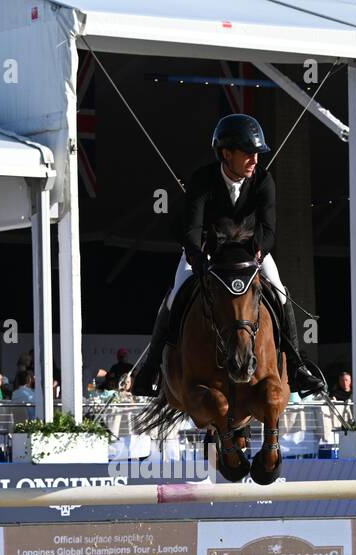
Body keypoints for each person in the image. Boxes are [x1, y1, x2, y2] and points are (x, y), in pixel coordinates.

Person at [127, 114, 323, 397]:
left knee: (280, 292)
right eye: (248, 154)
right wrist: (197, 258)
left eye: (257, 154)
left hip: (247, 252)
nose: (254, 160)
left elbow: (269, 231)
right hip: (207, 251)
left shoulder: (264, 181)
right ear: (226, 153)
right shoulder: (202, 180)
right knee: (175, 294)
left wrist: (260, 249)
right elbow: (191, 230)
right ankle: (151, 367)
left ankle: (296, 367)